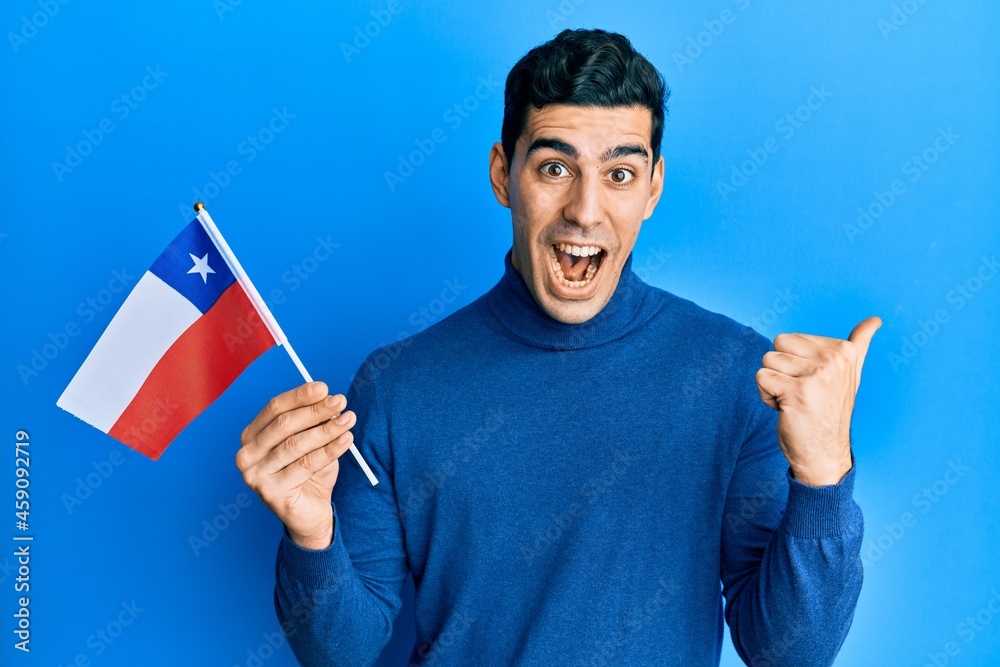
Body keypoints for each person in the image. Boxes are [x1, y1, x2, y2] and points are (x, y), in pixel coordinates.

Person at [236, 28, 879, 666]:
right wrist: (311, 536)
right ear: (502, 175)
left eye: (620, 173)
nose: (585, 210)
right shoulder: (396, 385)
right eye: (554, 168)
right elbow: (339, 652)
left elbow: (792, 652)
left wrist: (823, 475)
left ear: (652, 189)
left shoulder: (737, 374)